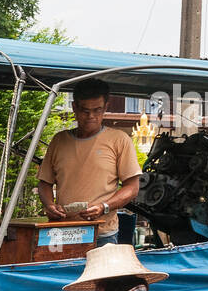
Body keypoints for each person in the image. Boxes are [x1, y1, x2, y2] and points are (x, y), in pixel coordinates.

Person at [37, 78, 143, 246]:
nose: (91, 116)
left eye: (97, 110)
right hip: (63, 232)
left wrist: (104, 207)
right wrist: (50, 205)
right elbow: (44, 183)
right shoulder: (59, 140)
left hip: (102, 234)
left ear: (106, 107)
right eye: (84, 110)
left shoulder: (119, 140)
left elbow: (132, 188)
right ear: (74, 108)